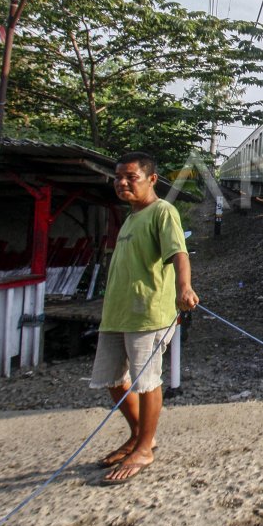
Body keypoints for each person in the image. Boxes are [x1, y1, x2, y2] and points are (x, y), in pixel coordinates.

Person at [90, 152, 199, 485]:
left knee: (146, 382)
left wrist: (185, 287)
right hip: (117, 314)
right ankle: (140, 437)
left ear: (152, 180)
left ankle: (144, 449)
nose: (122, 183)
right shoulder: (130, 217)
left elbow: (179, 253)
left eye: (131, 177)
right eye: (118, 177)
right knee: (111, 379)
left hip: (149, 313)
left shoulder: (162, 212)